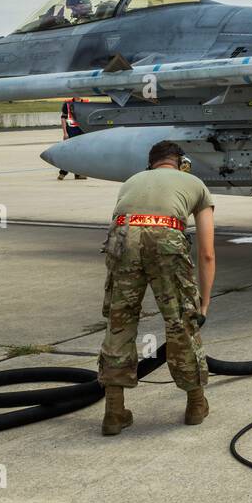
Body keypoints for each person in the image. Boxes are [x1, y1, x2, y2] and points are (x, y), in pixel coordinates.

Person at [97, 140, 216, 436]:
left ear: (150, 164)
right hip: (165, 237)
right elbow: (207, 253)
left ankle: (113, 412)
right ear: (181, 163)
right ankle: (195, 405)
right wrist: (202, 305)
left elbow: (120, 223)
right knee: (180, 322)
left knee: (119, 321)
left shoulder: (131, 182)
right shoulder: (194, 184)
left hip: (122, 235)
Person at [57, 98, 87, 180]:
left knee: (80, 152)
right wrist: (65, 133)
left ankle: (78, 174)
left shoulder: (86, 102)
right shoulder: (68, 103)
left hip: (82, 129)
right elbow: (63, 118)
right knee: (69, 152)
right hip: (71, 129)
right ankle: (63, 172)